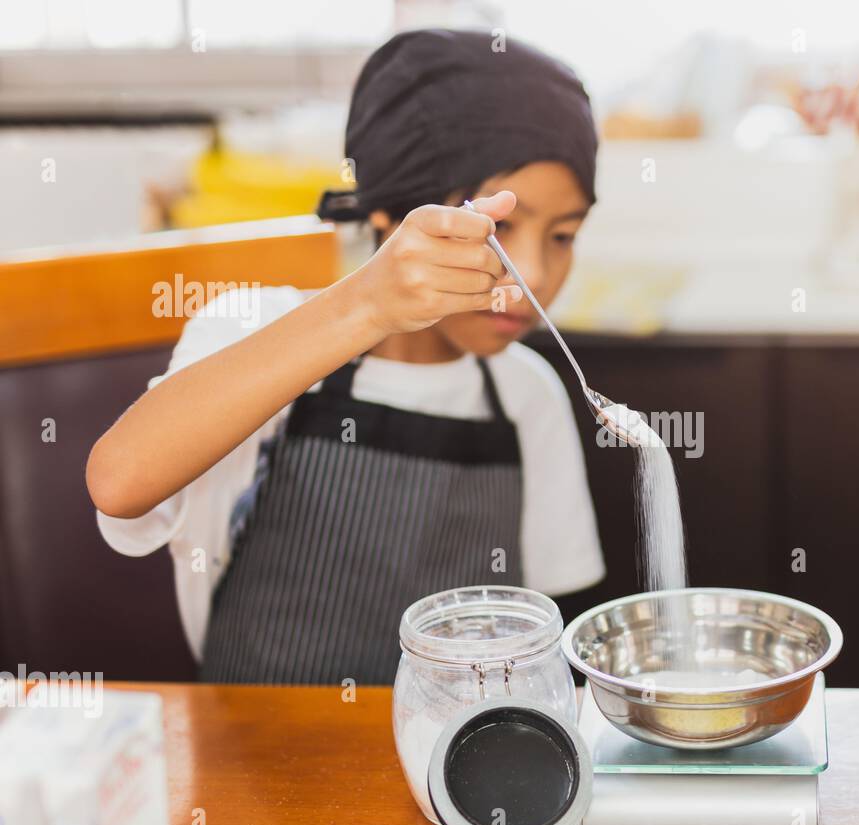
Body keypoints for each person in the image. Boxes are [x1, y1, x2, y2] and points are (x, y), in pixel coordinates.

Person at [87, 29, 605, 684]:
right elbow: (119, 482)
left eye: (563, 236)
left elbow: (548, 629)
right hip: (256, 757)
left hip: (453, 763)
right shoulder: (257, 328)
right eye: (498, 228)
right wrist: (365, 306)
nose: (531, 272)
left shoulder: (528, 393)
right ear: (391, 211)